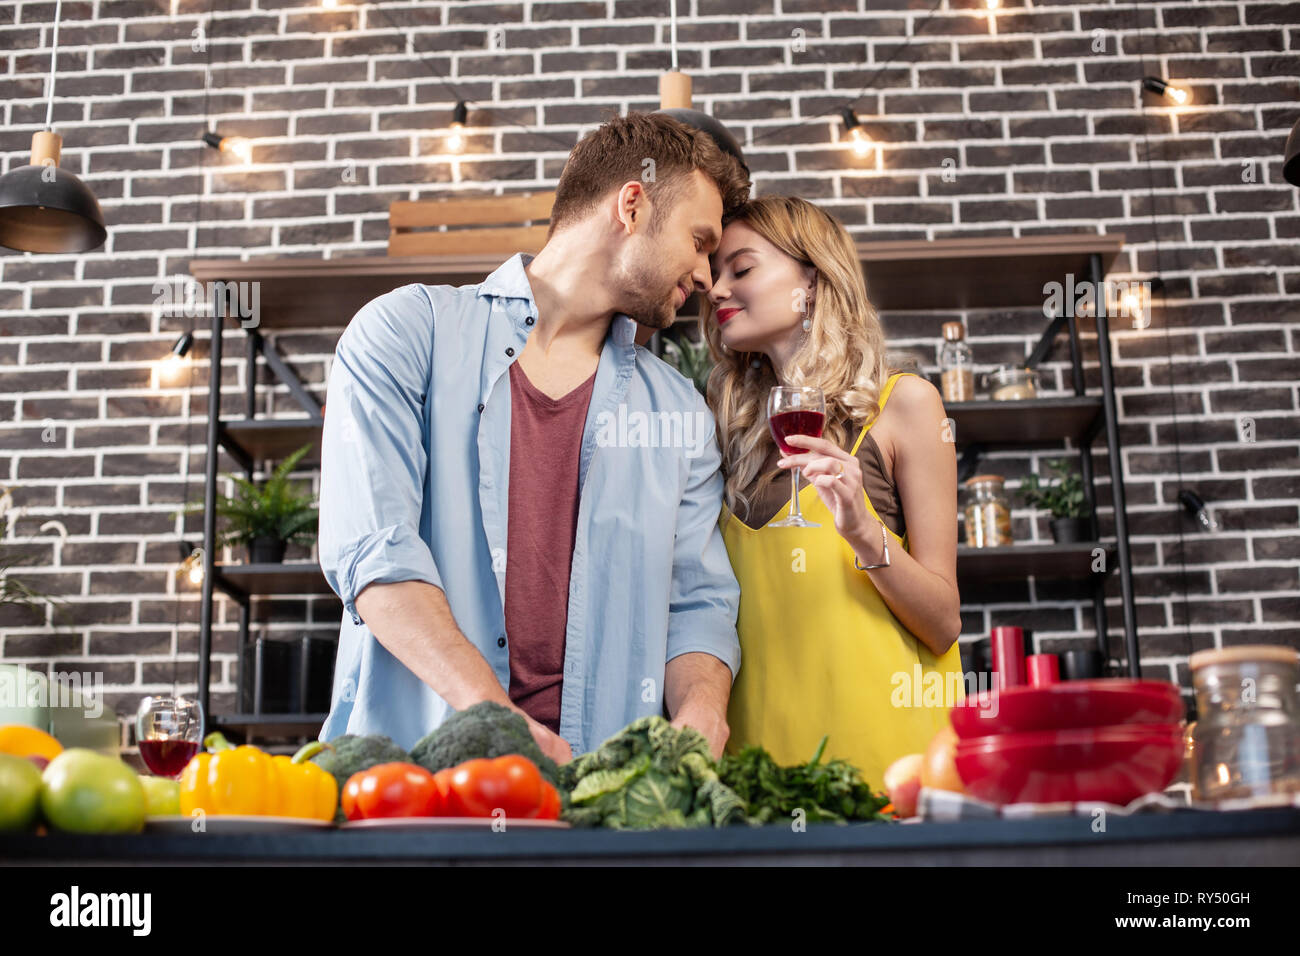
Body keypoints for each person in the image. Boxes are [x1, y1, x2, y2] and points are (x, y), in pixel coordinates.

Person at [317, 112, 752, 764]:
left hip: (599, 804)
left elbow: (698, 603)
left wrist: (701, 709)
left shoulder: (679, 413)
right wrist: (499, 724)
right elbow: (376, 554)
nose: (707, 277)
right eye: (698, 241)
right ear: (631, 205)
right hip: (412, 786)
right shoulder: (406, 333)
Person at [702, 195, 965, 788]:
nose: (716, 288)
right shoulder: (717, 429)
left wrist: (866, 534)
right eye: (713, 274)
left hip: (887, 762)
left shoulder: (904, 405)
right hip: (757, 770)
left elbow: (944, 621)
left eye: (740, 269)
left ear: (814, 281)